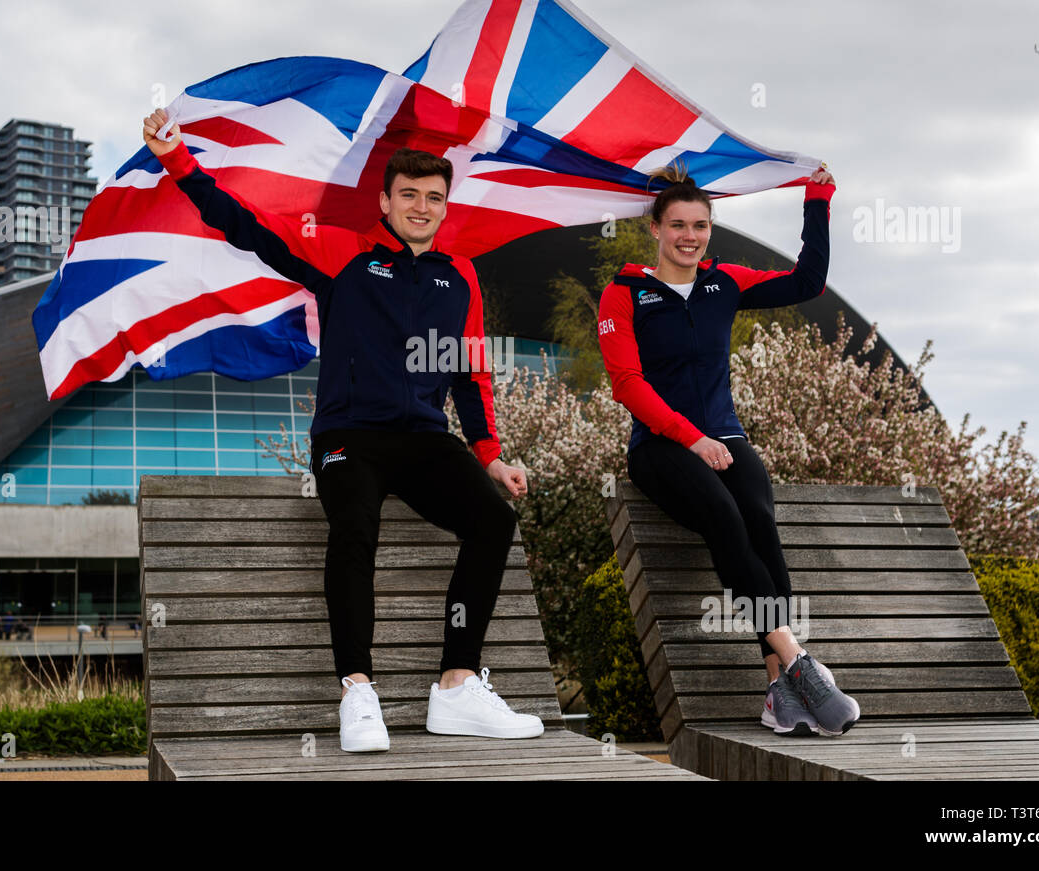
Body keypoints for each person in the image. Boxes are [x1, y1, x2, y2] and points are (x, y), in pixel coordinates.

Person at [141, 108, 543, 752]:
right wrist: (179, 162)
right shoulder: (341, 252)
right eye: (408, 194)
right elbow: (246, 226)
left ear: (445, 206)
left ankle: (456, 688)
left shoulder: (458, 276)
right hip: (347, 436)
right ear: (385, 201)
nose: (421, 206)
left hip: (423, 439)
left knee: (493, 521)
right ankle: (358, 691)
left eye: (433, 197)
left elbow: (469, 375)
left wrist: (491, 455)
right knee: (356, 527)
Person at [596, 164, 861, 737]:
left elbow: (807, 282)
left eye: (700, 226)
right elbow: (626, 384)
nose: (689, 237)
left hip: (726, 438)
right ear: (655, 229)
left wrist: (817, 198)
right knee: (722, 515)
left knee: (761, 523)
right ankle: (798, 660)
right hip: (660, 446)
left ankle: (779, 690)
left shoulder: (725, 283)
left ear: (710, 229)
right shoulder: (624, 294)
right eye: (678, 226)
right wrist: (690, 437)